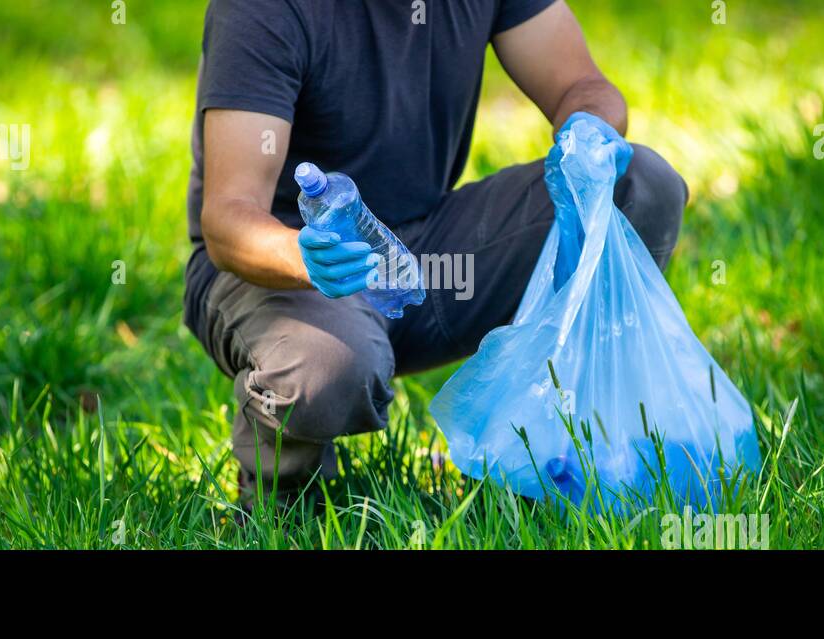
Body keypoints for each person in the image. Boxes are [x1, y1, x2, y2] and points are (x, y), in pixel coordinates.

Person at [183, 0, 688, 501]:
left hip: (425, 253)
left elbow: (581, 85)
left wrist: (588, 129)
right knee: (327, 366)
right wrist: (303, 258)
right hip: (281, 264)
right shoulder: (264, 10)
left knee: (639, 187)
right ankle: (282, 489)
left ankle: (541, 451)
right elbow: (228, 219)